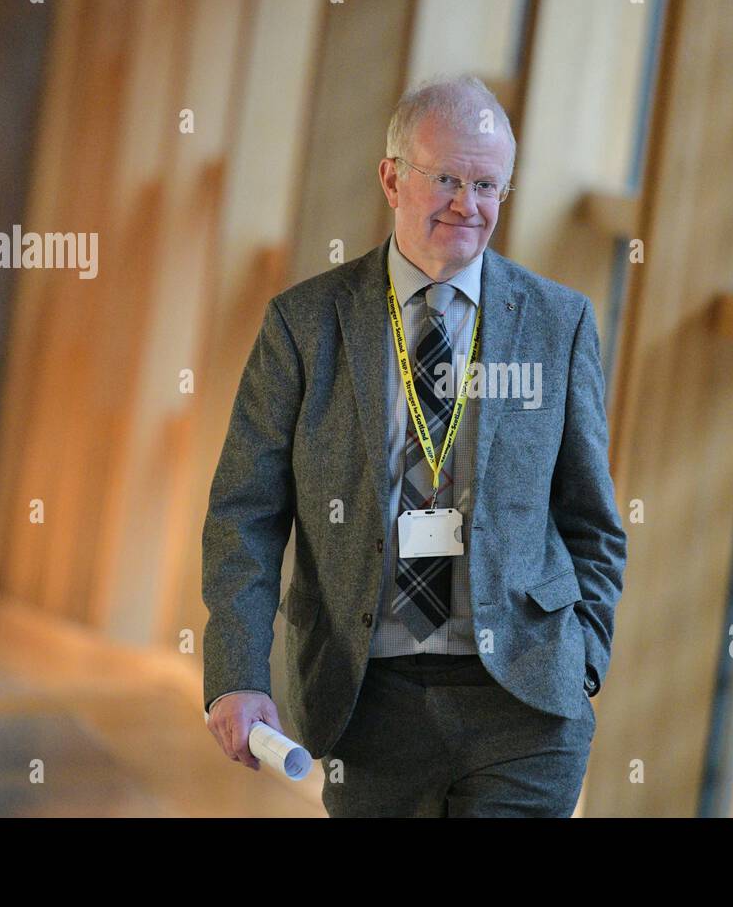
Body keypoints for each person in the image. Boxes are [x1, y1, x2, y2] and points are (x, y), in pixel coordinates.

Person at [202, 73, 626, 816]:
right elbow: (245, 512)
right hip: (369, 704)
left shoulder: (559, 324)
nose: (468, 204)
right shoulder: (306, 326)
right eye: (447, 179)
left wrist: (583, 658)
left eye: (488, 185)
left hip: (526, 704)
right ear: (391, 179)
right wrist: (238, 671)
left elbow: (591, 518)